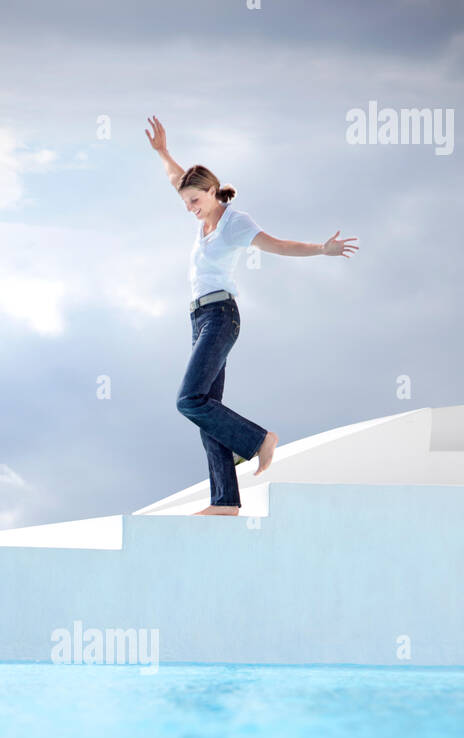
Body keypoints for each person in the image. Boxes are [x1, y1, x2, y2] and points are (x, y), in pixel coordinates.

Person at [145, 115, 358, 515]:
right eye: (185, 201)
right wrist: (163, 152)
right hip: (199, 319)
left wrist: (321, 249)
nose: (190, 208)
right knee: (207, 409)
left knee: (189, 400)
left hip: (221, 316)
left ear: (213, 192)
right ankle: (225, 503)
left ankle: (260, 440)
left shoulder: (233, 223)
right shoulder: (203, 217)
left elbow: (278, 245)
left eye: (195, 200)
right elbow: (177, 177)